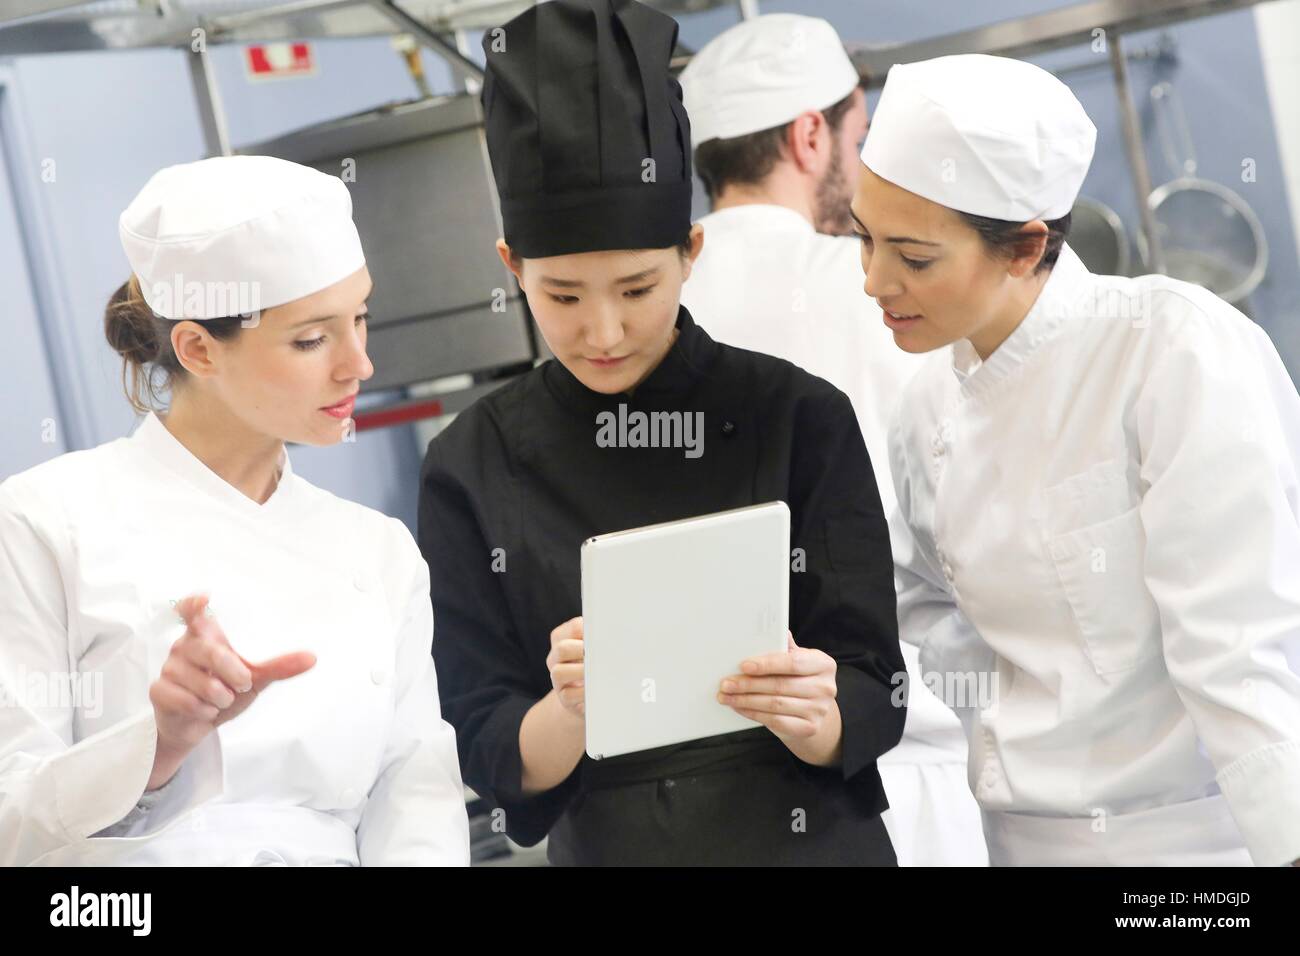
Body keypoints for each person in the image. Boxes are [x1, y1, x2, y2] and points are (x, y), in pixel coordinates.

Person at [418, 0, 904, 866]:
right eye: (561, 296)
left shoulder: (798, 418)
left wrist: (818, 710)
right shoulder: (472, 463)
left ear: (691, 249)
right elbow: (486, 741)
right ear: (510, 268)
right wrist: (571, 706)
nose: (601, 332)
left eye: (637, 289)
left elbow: (875, 683)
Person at [853, 53, 1300, 866]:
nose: (874, 281)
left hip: (1201, 846)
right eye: (864, 239)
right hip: (1022, 841)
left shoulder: (1170, 350)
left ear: (1025, 247)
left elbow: (1238, 648)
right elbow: (926, 607)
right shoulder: (925, 406)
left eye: (913, 257)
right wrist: (1008, 724)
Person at [0, 155, 470, 866]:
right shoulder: (45, 521)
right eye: (312, 339)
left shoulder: (377, 550)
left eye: (360, 320)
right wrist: (159, 743)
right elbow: (12, 818)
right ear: (197, 349)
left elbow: (415, 793)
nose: (358, 365)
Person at [679, 13, 986, 867]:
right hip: (906, 760)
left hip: (712, 767)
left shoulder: (652, 317)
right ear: (812, 135)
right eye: (858, 134)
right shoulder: (878, 294)